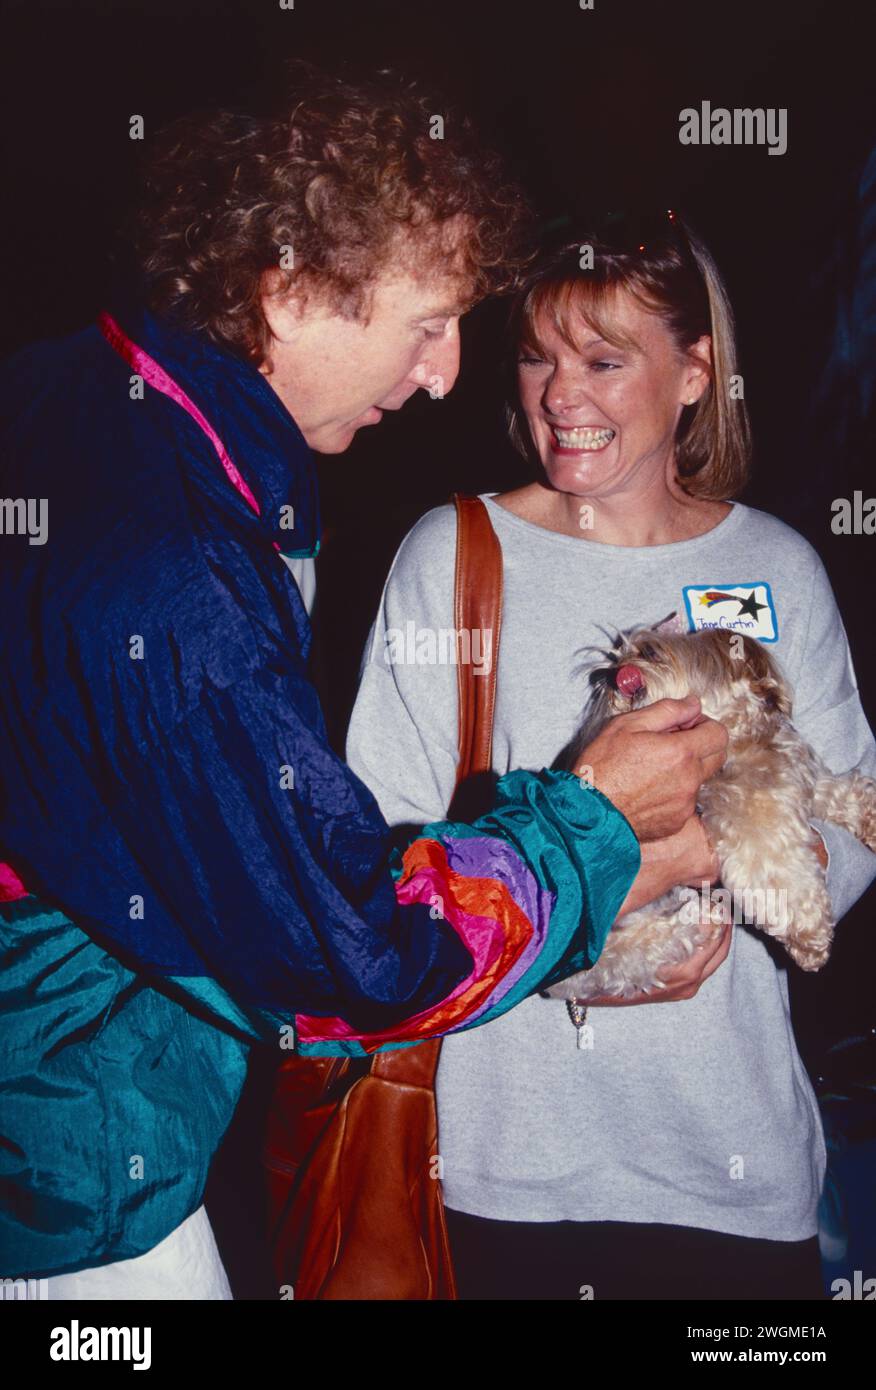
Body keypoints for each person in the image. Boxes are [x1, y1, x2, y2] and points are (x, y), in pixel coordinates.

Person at [0, 72, 727, 1299]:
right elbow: (352, 956)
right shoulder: (184, 577)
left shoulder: (69, 388)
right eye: (429, 322)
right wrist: (606, 830)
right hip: (72, 1192)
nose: (449, 374)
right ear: (287, 287)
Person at [346, 209, 876, 1300]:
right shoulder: (453, 555)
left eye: (602, 359)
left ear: (695, 373)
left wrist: (724, 866)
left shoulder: (777, 562)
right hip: (504, 1167)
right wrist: (584, 924)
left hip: (733, 1166)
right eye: (538, 357)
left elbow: (847, 828)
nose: (559, 395)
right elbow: (375, 849)